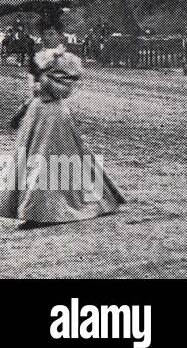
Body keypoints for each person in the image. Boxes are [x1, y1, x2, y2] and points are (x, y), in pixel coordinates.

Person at [1, 19, 125, 227]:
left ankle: (41, 210)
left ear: (60, 35)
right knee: (29, 159)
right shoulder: (38, 58)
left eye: (52, 33)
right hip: (35, 114)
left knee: (48, 159)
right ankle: (31, 207)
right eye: (44, 33)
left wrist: (44, 77)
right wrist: (21, 110)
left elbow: (64, 92)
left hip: (55, 114)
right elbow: (34, 92)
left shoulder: (69, 60)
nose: (47, 37)